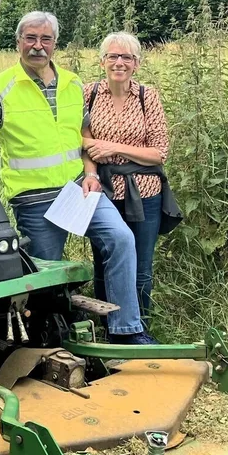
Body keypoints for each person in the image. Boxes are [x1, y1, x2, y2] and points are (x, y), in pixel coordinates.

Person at [0, 12, 155, 344]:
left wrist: (90, 173)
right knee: (45, 277)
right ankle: (51, 344)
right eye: (30, 38)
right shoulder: (1, 87)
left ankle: (125, 332)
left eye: (45, 39)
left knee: (121, 239)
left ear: (55, 44)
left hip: (78, 190)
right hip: (34, 200)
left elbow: (85, 135)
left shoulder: (72, 83)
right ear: (18, 42)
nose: (38, 46)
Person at [83, 32, 178, 332]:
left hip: (145, 194)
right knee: (104, 260)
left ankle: (139, 328)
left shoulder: (147, 96)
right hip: (103, 192)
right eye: (112, 56)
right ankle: (106, 328)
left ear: (137, 63)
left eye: (127, 57)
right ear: (102, 61)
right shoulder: (88, 94)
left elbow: (159, 153)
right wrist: (90, 172)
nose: (119, 63)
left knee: (141, 266)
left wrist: (114, 148)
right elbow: (81, 141)